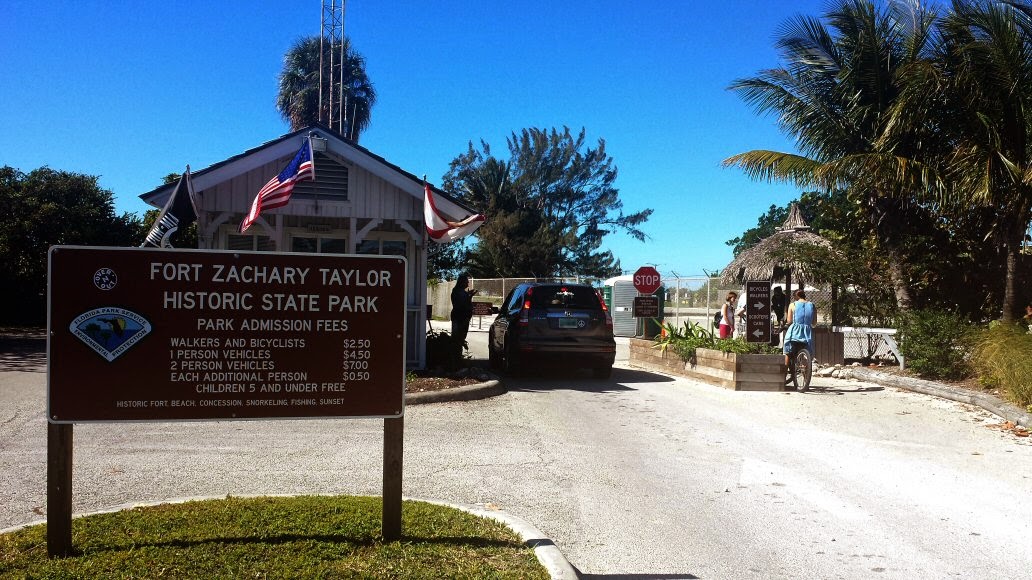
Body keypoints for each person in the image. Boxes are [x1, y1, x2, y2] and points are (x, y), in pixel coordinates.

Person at [783, 289, 816, 369]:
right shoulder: (812, 305)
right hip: (807, 334)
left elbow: (789, 321)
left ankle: (783, 375)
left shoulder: (793, 305)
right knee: (806, 354)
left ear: (796, 296)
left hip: (794, 332)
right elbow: (814, 323)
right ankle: (806, 377)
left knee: (788, 352)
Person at [450, 274, 475, 368]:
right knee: (458, 339)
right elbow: (461, 305)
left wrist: (469, 296)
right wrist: (469, 297)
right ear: (462, 282)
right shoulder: (458, 292)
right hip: (460, 318)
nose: (468, 283)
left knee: (460, 339)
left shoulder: (461, 292)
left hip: (463, 317)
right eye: (466, 281)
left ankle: (457, 359)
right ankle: (455, 361)